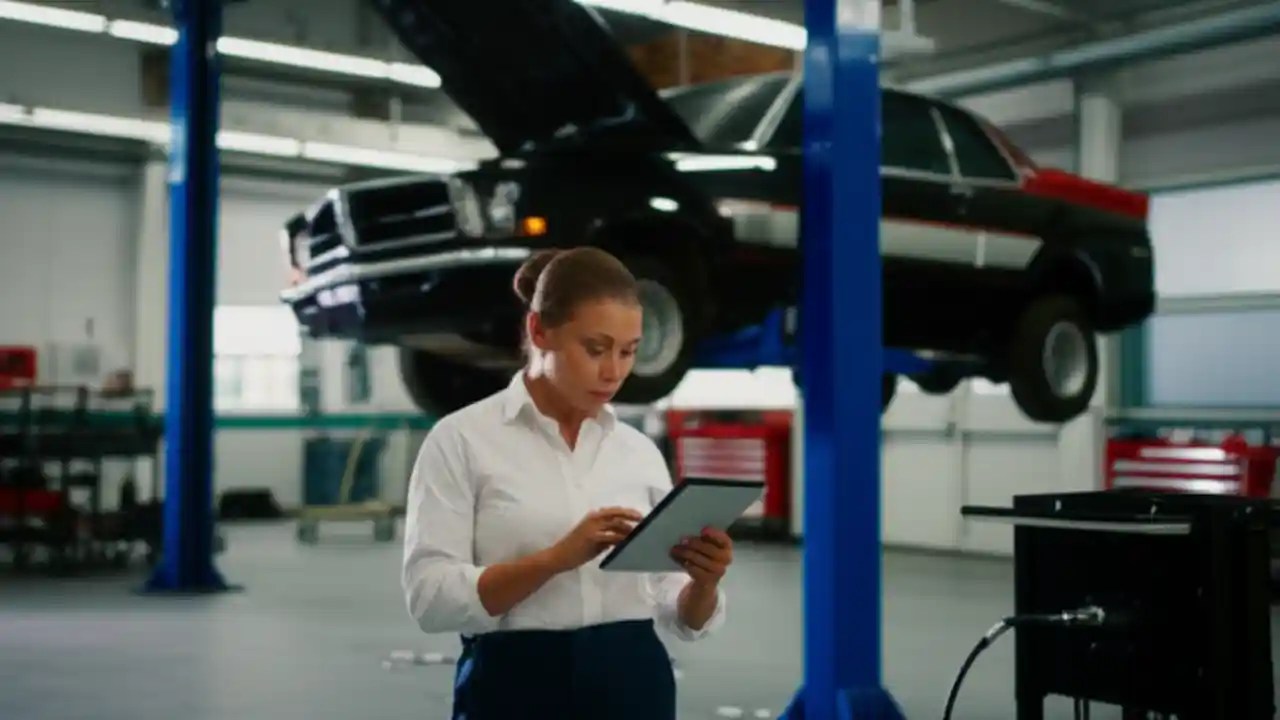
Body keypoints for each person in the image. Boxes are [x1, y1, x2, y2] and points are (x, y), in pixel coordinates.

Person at [401, 246, 734, 720]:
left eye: (628, 352)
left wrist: (703, 583)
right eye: (595, 349)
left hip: (634, 683)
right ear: (539, 331)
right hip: (515, 686)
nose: (614, 371)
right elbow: (430, 599)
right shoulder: (462, 441)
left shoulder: (637, 452)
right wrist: (556, 559)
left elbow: (674, 607)